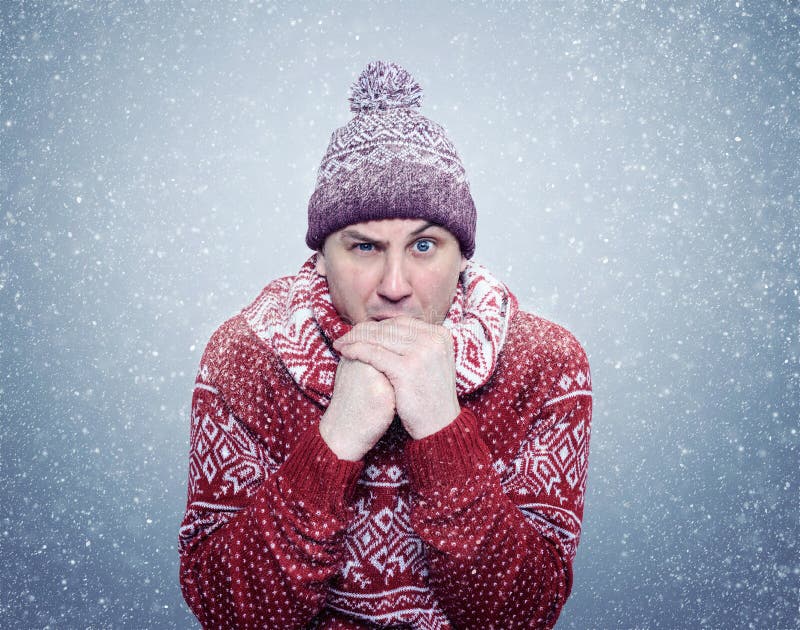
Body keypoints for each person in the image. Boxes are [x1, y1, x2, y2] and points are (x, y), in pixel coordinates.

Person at [178, 60, 592, 629]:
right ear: (322, 255)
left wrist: (443, 432)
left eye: (424, 247)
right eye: (365, 247)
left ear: (463, 253)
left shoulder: (543, 364)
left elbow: (521, 616)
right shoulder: (246, 357)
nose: (394, 287)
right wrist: (335, 441)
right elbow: (230, 615)